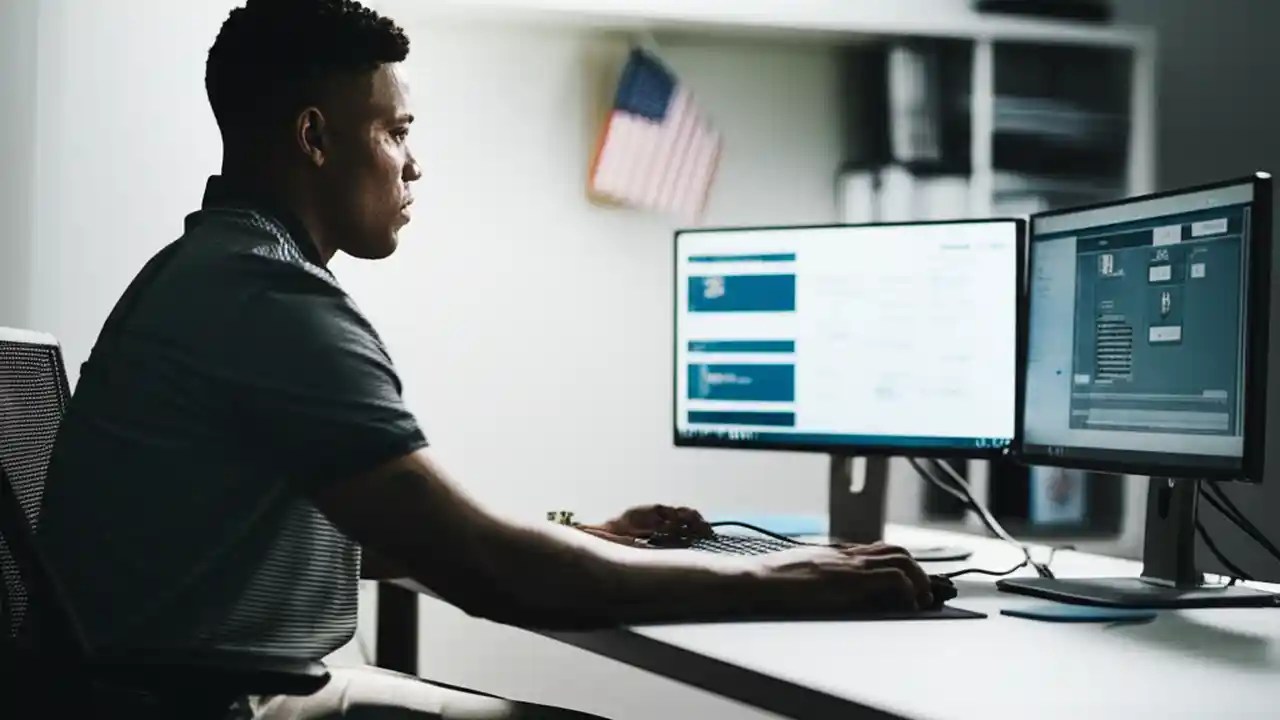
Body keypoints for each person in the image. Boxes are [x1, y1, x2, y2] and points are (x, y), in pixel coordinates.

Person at [34, 1, 933, 718]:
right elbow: (483, 571)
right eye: (395, 132)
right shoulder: (267, 300)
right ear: (314, 138)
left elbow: (407, 533)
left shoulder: (215, 272)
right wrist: (773, 575)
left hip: (184, 685)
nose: (414, 165)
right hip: (212, 703)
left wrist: (575, 535)